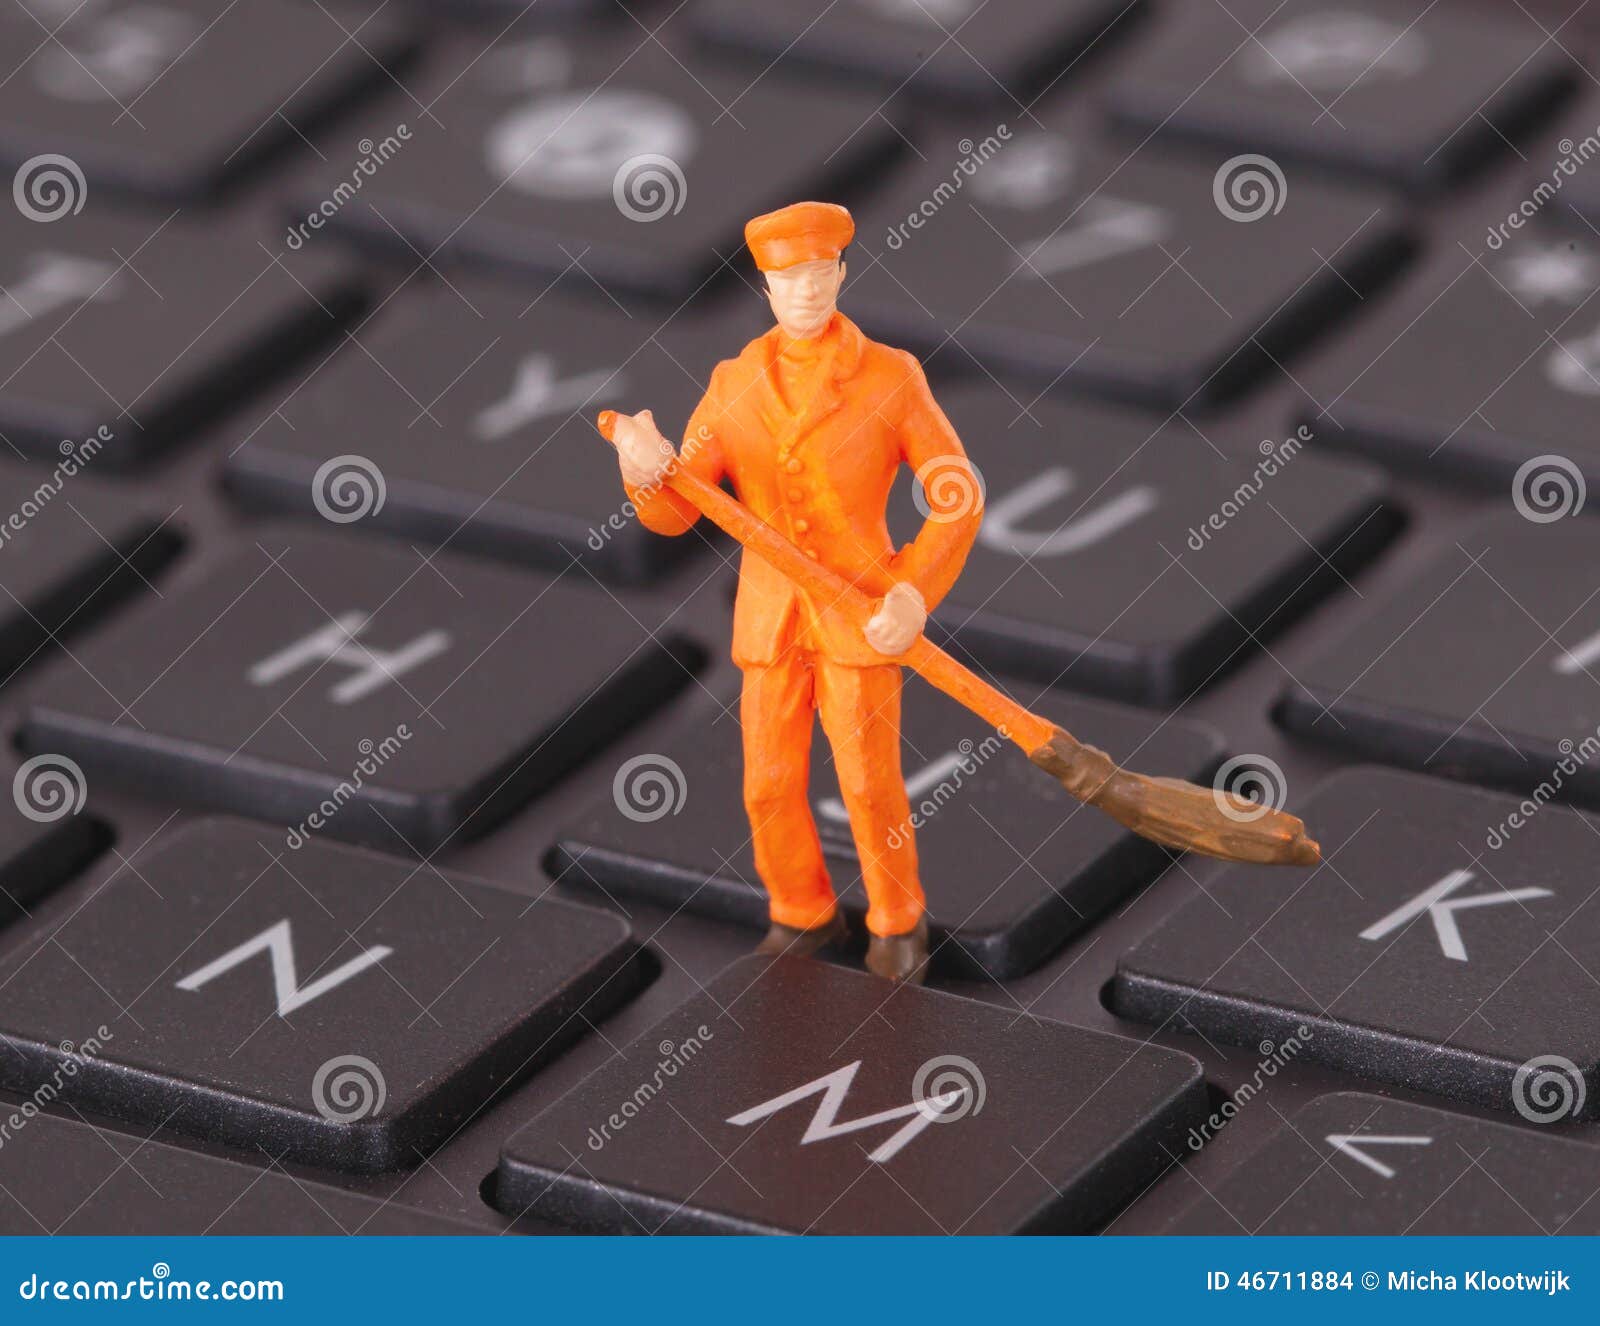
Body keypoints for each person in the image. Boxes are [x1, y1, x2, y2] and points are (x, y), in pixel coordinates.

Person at [609, 201, 982, 983]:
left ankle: (896, 923)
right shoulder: (736, 383)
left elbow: (955, 492)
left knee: (870, 787)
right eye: (788, 280)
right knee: (769, 783)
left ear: (840, 275)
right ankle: (801, 911)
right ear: (766, 288)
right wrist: (643, 470)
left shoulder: (890, 376)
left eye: (818, 275)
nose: (806, 292)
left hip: (864, 615)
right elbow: (682, 510)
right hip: (773, 616)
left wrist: (913, 592)